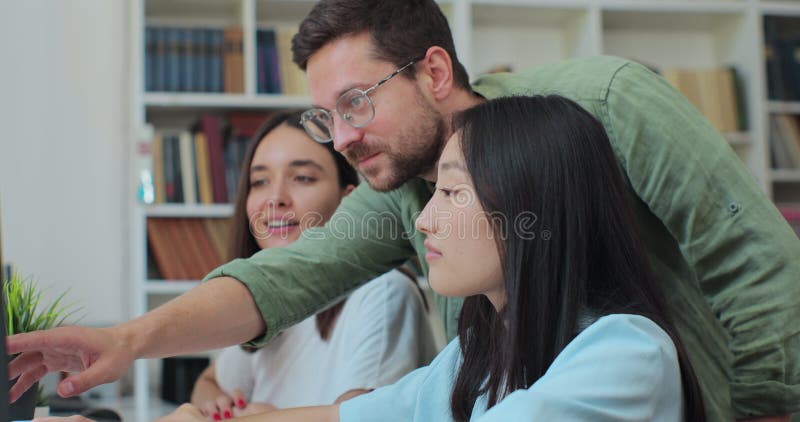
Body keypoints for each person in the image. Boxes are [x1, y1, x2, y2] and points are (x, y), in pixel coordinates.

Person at [8, 1, 800, 421]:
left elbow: (756, 268)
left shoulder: (606, 104)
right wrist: (127, 340)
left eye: (356, 103)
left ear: (433, 70)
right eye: (327, 118)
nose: (343, 138)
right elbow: (286, 278)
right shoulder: (404, 191)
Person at [160, 95, 707, 421]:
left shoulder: (627, 353)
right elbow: (361, 415)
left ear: (530, 206)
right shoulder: (482, 352)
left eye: (451, 193)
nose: (422, 220)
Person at [188, 112, 438, 420]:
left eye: (303, 177)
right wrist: (218, 404)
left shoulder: (384, 293)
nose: (275, 199)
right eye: (260, 181)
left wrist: (270, 416)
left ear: (352, 202)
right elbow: (210, 380)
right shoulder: (268, 297)